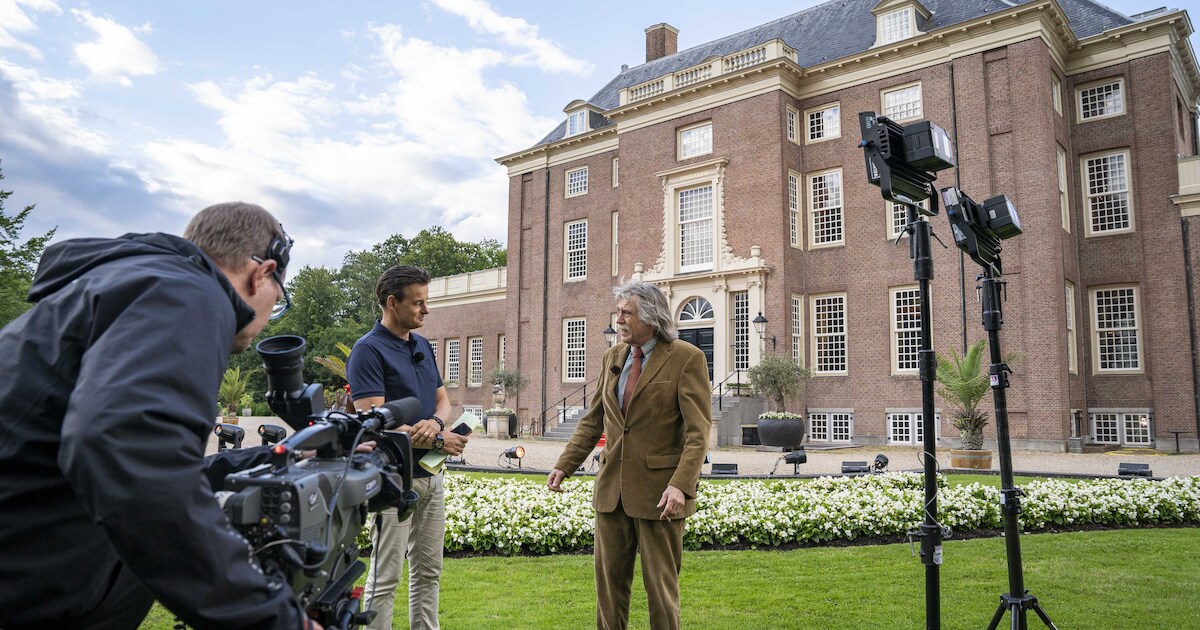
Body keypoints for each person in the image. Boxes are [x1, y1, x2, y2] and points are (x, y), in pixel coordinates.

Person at [0, 202, 319, 629]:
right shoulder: (189, 293)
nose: (268, 314)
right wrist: (272, 618)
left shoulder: (132, 285)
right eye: (277, 299)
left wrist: (281, 457)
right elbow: (128, 449)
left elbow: (153, 463)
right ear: (262, 274)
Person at [547, 279, 712, 630]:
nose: (618, 319)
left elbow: (698, 434)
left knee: (661, 592)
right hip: (611, 494)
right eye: (618, 311)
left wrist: (681, 486)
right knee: (608, 592)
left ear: (651, 317)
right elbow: (594, 421)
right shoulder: (613, 356)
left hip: (661, 496)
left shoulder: (686, 358)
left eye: (626, 312)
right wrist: (565, 465)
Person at [347, 265, 467, 630]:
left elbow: (443, 401)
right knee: (385, 579)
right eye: (418, 303)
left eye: (426, 302)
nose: (425, 310)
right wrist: (436, 437)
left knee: (429, 573)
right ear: (391, 303)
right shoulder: (367, 351)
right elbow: (375, 421)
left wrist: (438, 424)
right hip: (391, 482)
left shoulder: (422, 346)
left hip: (432, 473)